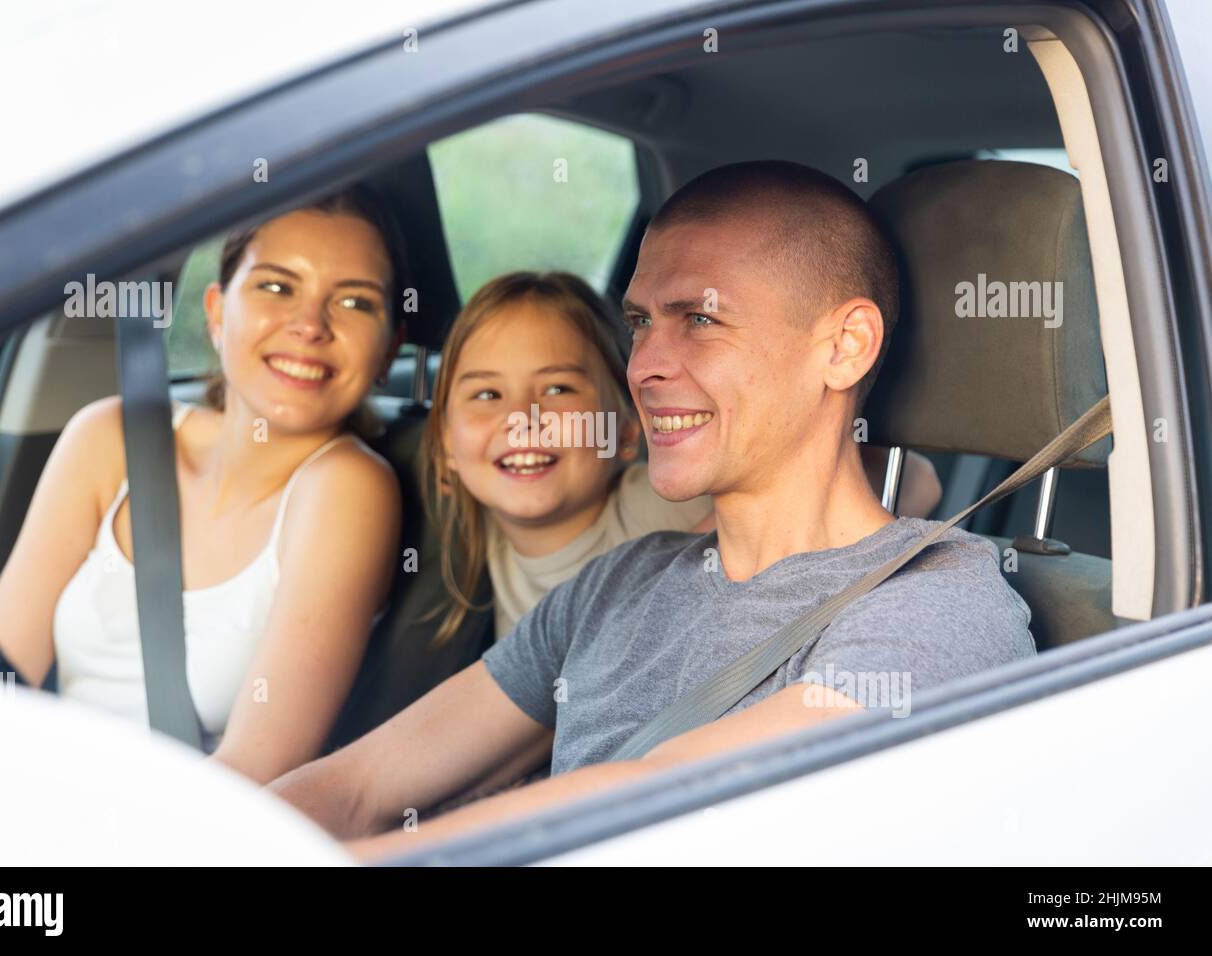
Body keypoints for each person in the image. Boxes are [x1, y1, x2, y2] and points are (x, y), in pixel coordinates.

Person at [269, 161, 1034, 860]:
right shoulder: (618, 586)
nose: (644, 367)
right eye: (639, 323)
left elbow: (656, 804)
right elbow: (358, 785)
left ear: (844, 346)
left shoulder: (941, 606)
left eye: (699, 320)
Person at [0, 187, 405, 784]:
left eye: (355, 303)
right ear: (215, 312)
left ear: (390, 347)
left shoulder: (346, 490)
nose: (310, 325)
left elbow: (253, 775)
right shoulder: (108, 437)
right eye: (277, 287)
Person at [424, 270, 942, 644]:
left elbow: (914, 478)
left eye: (558, 389)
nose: (522, 418)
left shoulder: (658, 505)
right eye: (487, 396)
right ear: (446, 445)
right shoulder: (475, 528)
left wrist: (697, 559)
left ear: (630, 430)